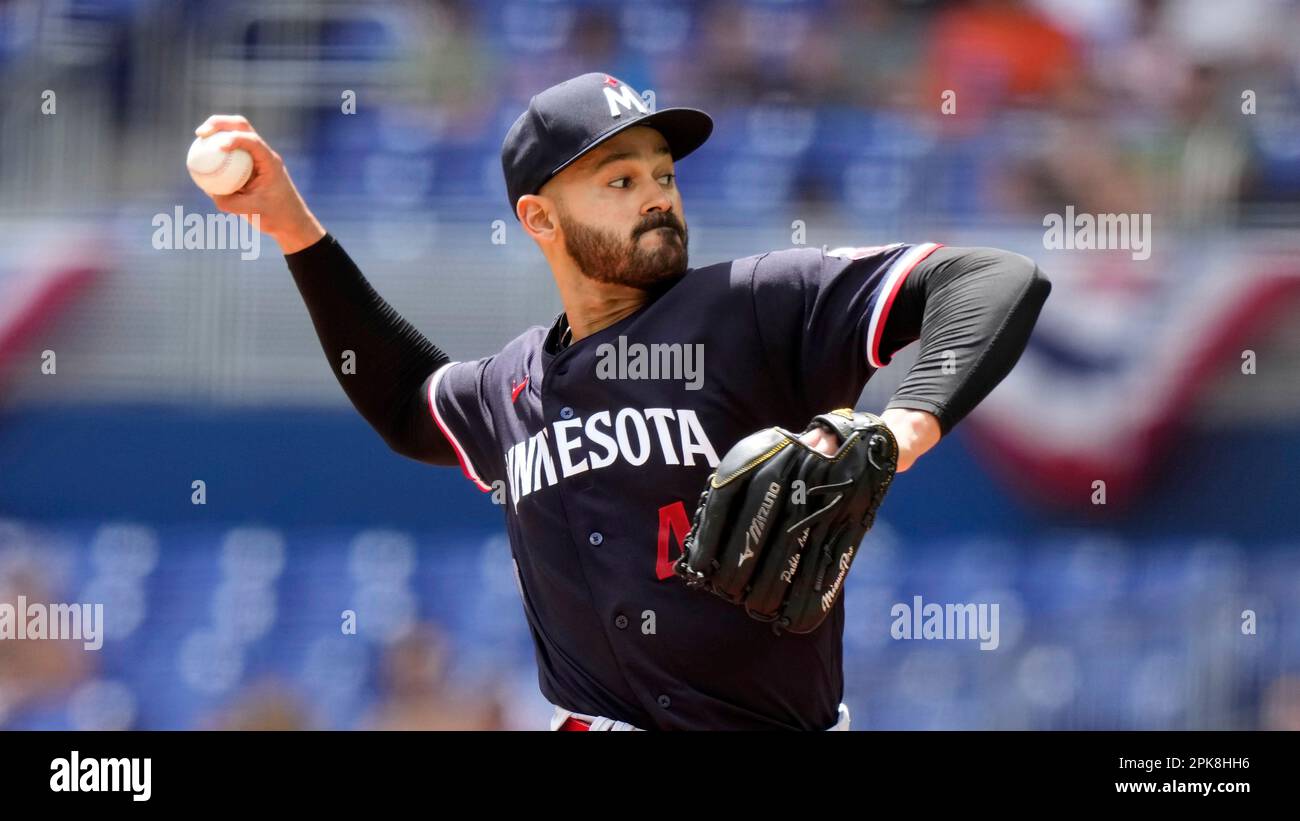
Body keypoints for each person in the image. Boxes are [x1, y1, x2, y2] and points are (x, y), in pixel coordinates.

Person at [196, 72, 1051, 730]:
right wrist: (291, 227)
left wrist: (892, 431)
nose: (655, 194)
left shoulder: (755, 304)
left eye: (663, 173)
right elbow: (405, 399)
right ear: (538, 218)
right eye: (617, 178)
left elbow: (992, 278)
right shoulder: (513, 385)